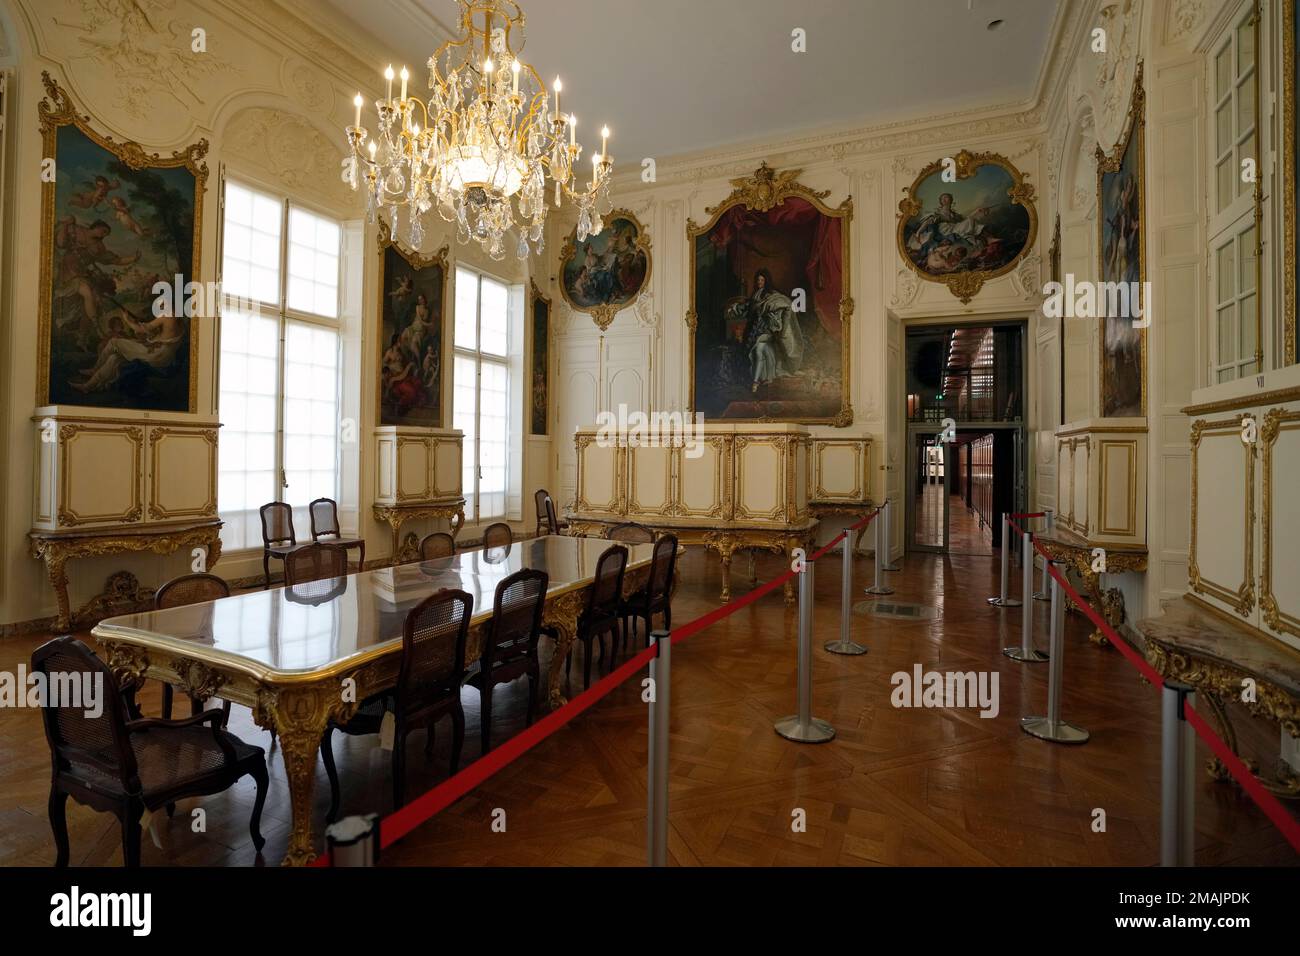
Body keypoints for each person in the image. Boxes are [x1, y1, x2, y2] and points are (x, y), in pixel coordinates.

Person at [70, 301, 183, 393]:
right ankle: (88, 386)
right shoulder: (177, 320)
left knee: (114, 342)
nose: (160, 309)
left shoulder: (167, 316)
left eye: (162, 305)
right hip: (161, 355)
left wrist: (126, 319)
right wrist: (143, 329)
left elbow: (142, 329)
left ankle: (95, 369)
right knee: (114, 358)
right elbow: (161, 337)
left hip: (156, 355)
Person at [743, 269, 804, 393]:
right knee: (762, 351)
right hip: (756, 330)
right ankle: (766, 378)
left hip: (769, 330)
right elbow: (750, 312)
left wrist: (782, 328)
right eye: (758, 280)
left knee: (759, 350)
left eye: (762, 280)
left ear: (766, 281)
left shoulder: (772, 295)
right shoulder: (755, 295)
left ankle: (755, 382)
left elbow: (787, 305)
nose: (759, 282)